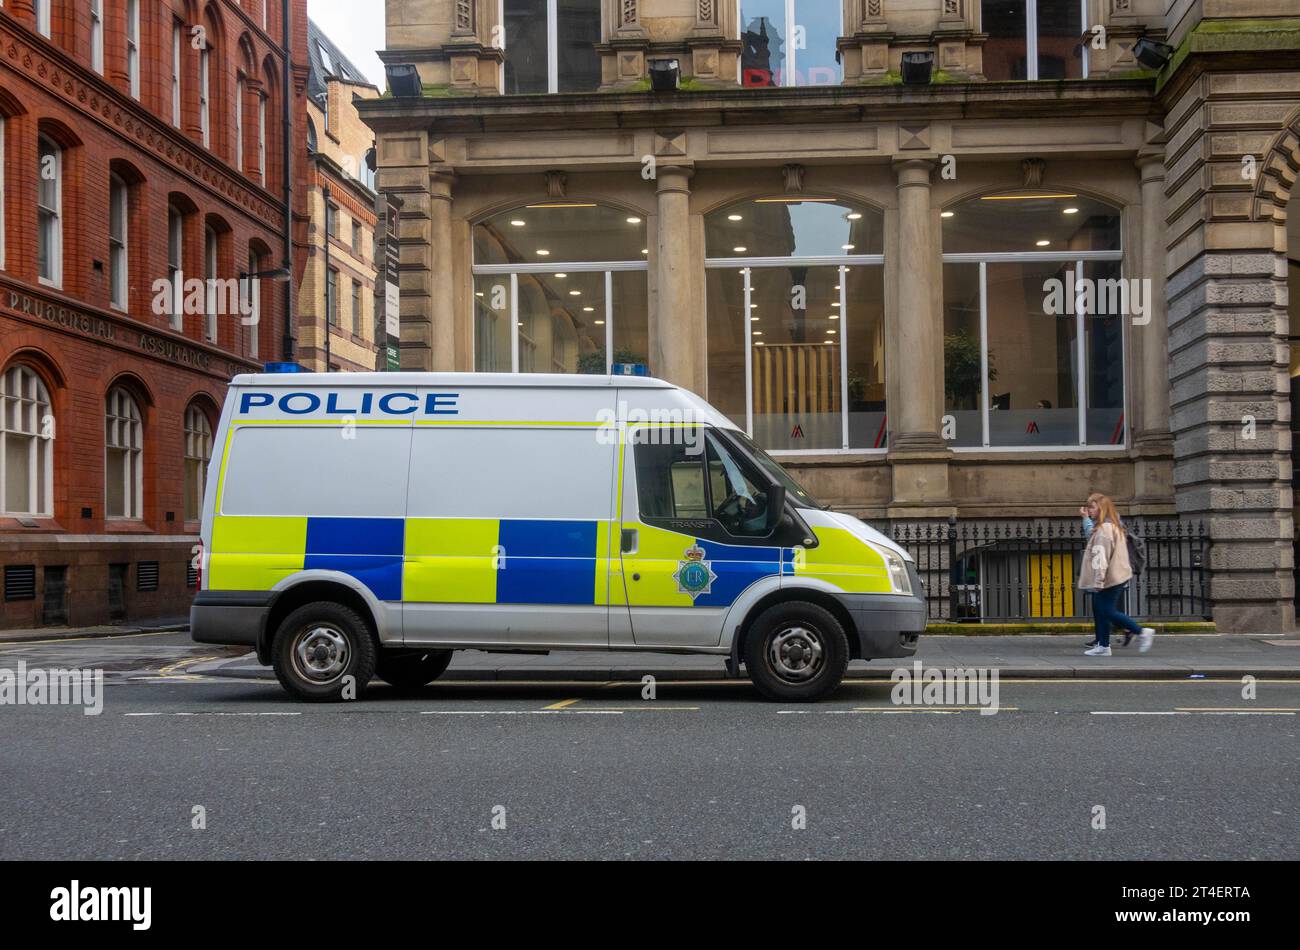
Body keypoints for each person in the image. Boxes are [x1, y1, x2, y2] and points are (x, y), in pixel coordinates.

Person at [1077, 492, 1154, 656]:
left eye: (1092, 507)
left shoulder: (1104, 530)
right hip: (1117, 575)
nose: (1089, 510)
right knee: (1101, 609)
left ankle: (1141, 632)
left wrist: (1098, 582)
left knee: (1107, 611)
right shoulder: (1113, 527)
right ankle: (1103, 646)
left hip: (1110, 578)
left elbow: (1101, 557)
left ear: (1101, 508)